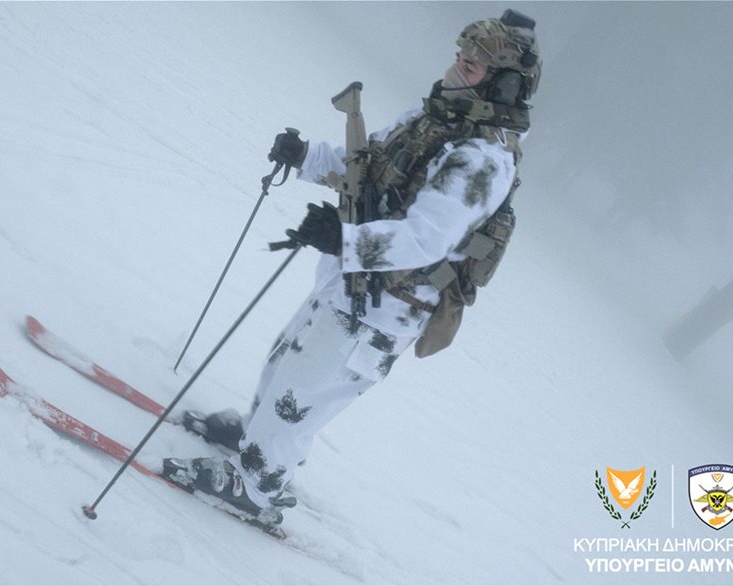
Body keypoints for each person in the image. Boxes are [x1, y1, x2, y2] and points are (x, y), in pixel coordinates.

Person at [162, 9, 542, 529]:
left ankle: (256, 485)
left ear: (503, 83)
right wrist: (306, 157)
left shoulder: (482, 159)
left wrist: (343, 240)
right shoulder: (434, 119)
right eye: (459, 57)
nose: (456, 70)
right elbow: (368, 163)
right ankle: (256, 437)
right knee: (285, 362)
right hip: (352, 282)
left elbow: (426, 239)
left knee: (305, 391)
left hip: (386, 309)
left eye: (472, 67)